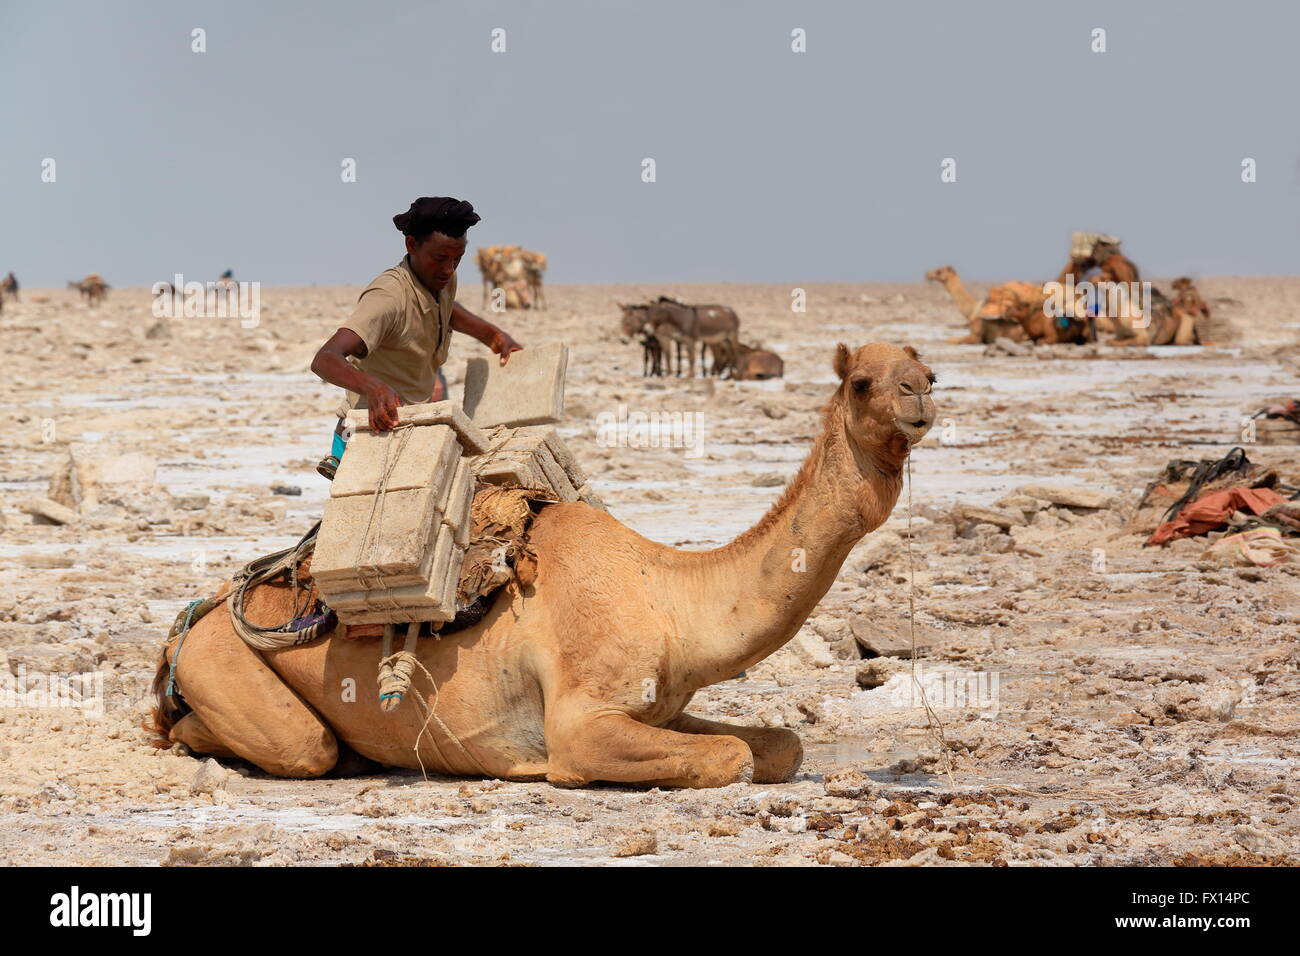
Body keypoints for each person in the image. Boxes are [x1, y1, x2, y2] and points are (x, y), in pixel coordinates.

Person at [311, 197, 522, 479]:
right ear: (411, 245)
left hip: (417, 425)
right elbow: (325, 359)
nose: (449, 269)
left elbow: (444, 310)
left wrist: (493, 335)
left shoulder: (440, 278)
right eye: (440, 259)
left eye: (457, 259)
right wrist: (373, 388)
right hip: (368, 431)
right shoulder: (388, 298)